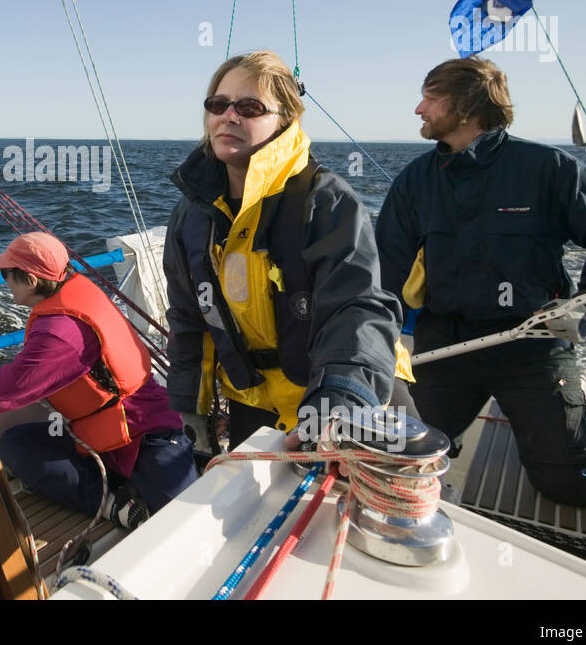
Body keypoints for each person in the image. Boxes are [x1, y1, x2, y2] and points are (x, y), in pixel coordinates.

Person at [375, 57, 586, 506]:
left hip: (534, 345)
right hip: (444, 346)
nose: (418, 109)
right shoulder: (416, 180)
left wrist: (583, 303)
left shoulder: (549, 168)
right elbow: (384, 271)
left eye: (430, 97)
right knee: (398, 463)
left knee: (570, 485)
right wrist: (373, 339)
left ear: (466, 106)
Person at [164, 50, 412, 452]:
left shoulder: (325, 201)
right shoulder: (191, 217)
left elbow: (356, 306)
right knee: (256, 512)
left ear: (286, 118)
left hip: (349, 389)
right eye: (218, 104)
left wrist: (342, 402)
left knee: (391, 501)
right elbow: (190, 321)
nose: (229, 115)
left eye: (249, 107)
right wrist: (191, 409)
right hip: (255, 400)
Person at [0, 232, 196, 529]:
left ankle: (119, 490)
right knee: (18, 443)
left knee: (184, 519)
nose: (4, 282)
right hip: (97, 430)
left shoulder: (59, 334)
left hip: (146, 434)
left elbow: (6, 391)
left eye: (7, 274)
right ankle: (113, 504)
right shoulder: (74, 292)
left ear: (30, 281)